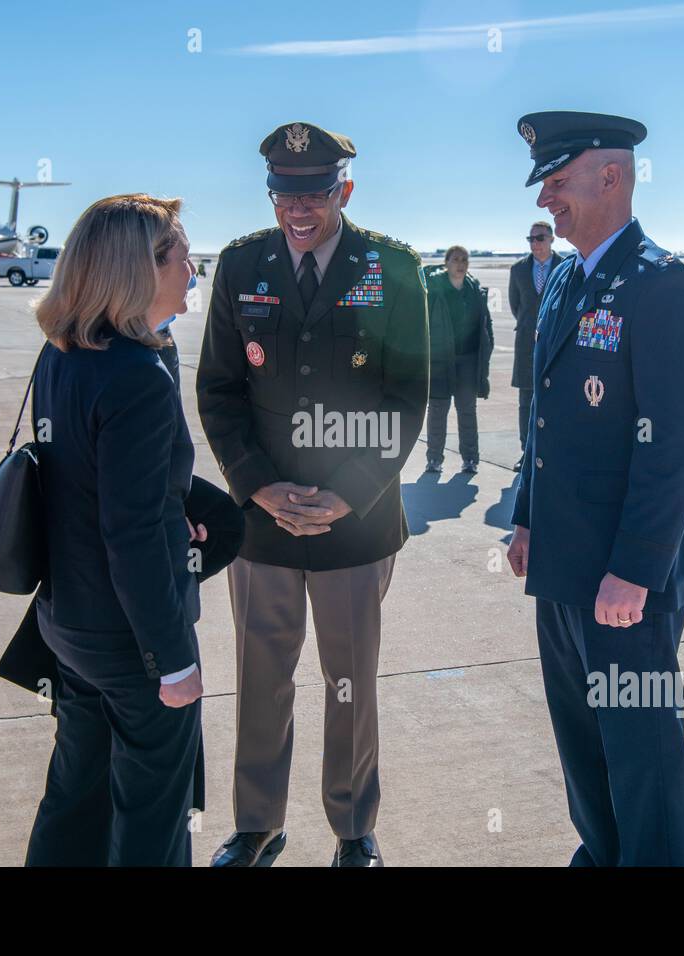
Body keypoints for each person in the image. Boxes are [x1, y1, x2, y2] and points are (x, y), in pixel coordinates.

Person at [196, 122, 429, 867]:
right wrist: (258, 487)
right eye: (284, 196)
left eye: (316, 196)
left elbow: (407, 396)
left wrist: (347, 494)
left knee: (349, 680)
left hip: (354, 524)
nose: (299, 212)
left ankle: (354, 828)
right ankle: (257, 822)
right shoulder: (241, 266)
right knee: (260, 677)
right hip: (262, 522)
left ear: (344, 191)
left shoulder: (391, 266)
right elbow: (220, 391)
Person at [506, 111, 684, 866]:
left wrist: (634, 568)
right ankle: (601, 852)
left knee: (641, 743)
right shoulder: (566, 277)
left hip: (624, 578)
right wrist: (526, 517)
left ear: (612, 176)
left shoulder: (661, 287)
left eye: (557, 183)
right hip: (562, 561)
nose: (545, 202)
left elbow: (677, 449)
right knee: (581, 734)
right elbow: (546, 418)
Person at [23, 194, 205, 867]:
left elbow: (83, 484)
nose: (192, 271)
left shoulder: (64, 354)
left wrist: (170, 509)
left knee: (76, 798)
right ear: (142, 269)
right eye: (183, 258)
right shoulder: (138, 376)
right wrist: (173, 660)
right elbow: (126, 534)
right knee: (152, 818)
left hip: (67, 624)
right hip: (131, 642)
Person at [423, 246, 492, 475]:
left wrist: (486, 352)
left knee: (467, 410)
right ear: (446, 263)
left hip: (468, 361)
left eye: (464, 260)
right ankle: (434, 459)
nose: (460, 264)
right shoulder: (434, 288)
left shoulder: (474, 290)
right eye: (455, 259)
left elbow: (485, 325)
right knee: (438, 410)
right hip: (441, 360)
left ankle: (470, 459)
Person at [508, 222, 563, 471]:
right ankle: (526, 453)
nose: (535, 243)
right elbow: (515, 305)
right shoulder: (518, 269)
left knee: (557, 399)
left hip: (556, 344)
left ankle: (552, 453)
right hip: (526, 344)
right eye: (530, 239)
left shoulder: (566, 267)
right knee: (526, 400)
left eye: (540, 238)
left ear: (552, 239)